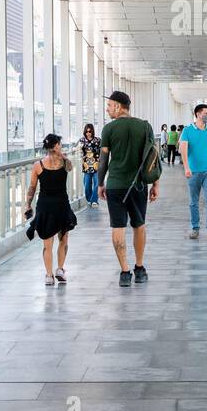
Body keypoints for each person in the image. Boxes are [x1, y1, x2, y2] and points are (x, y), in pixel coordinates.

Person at [98, 90, 159, 286]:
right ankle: (139, 268)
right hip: (139, 185)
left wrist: (100, 183)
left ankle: (125, 272)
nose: (107, 110)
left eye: (109, 106)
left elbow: (103, 159)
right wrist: (155, 183)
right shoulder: (144, 127)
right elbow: (152, 158)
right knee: (139, 225)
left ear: (118, 106)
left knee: (118, 227)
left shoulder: (109, 129)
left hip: (115, 185)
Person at [24, 134, 77, 285]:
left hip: (45, 205)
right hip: (61, 204)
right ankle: (60, 269)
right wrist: (63, 156)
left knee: (47, 243)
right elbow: (70, 167)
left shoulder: (38, 165)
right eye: (59, 144)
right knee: (63, 238)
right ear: (55, 146)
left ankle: (49, 275)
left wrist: (28, 205)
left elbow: (32, 188)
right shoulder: (63, 161)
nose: (61, 146)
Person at [179, 104, 207, 240]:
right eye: (205, 113)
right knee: (193, 202)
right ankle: (195, 228)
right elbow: (183, 150)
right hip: (193, 172)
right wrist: (186, 167)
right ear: (198, 114)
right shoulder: (187, 130)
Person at [78, 123, 101, 208]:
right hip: (86, 166)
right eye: (87, 131)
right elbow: (78, 151)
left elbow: (102, 151)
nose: (88, 133)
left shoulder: (98, 140)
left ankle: (94, 200)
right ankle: (89, 200)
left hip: (96, 165)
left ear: (92, 131)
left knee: (97, 183)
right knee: (87, 184)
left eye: (90, 131)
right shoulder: (81, 140)